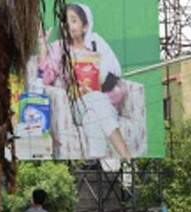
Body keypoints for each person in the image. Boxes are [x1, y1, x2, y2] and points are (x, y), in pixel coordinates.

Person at [37, 3, 132, 159]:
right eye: (66, 21)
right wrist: (42, 45)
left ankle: (98, 163)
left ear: (85, 26)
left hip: (102, 104)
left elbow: (115, 74)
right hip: (75, 106)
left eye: (74, 20)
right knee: (95, 103)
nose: (69, 25)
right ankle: (127, 158)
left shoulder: (96, 43)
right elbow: (44, 79)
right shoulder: (59, 48)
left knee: (92, 116)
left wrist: (99, 84)